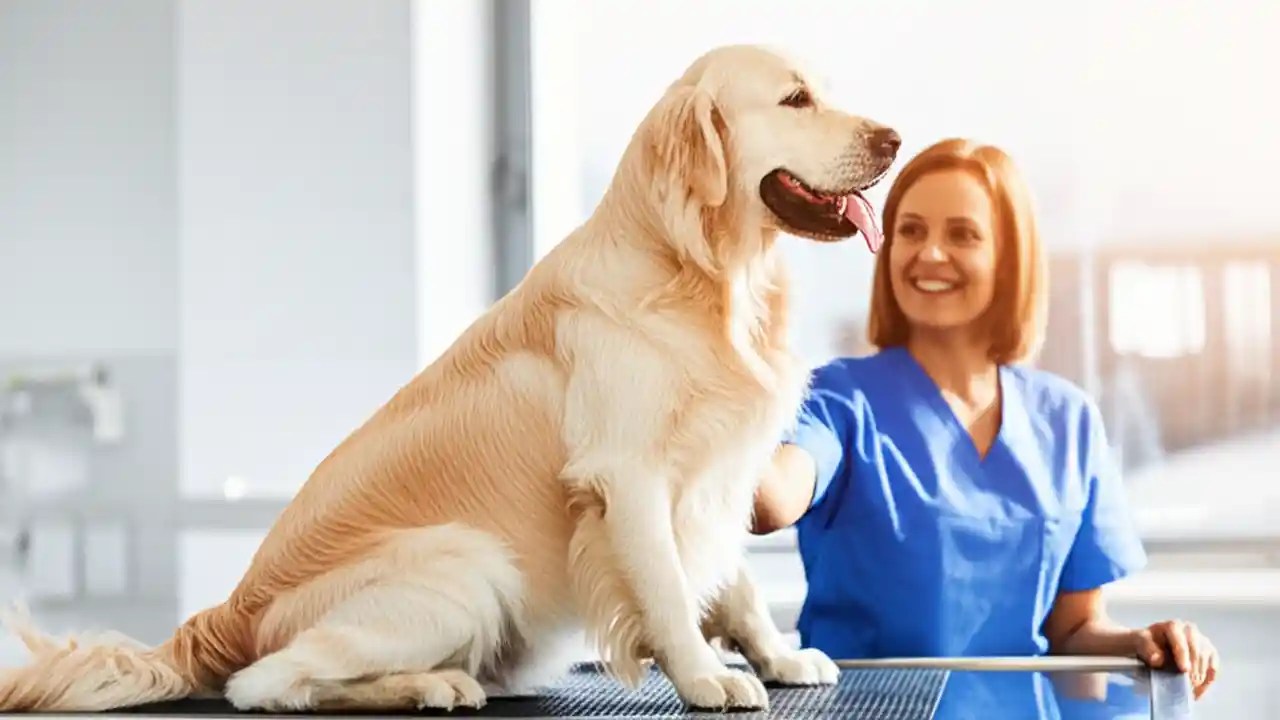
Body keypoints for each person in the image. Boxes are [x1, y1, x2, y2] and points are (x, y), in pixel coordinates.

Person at [751, 138, 1220, 708]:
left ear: (1008, 257)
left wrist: (1143, 642)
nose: (930, 253)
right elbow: (768, 500)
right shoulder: (839, 397)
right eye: (911, 230)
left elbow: (1074, 631)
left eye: (962, 235)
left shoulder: (1067, 420)